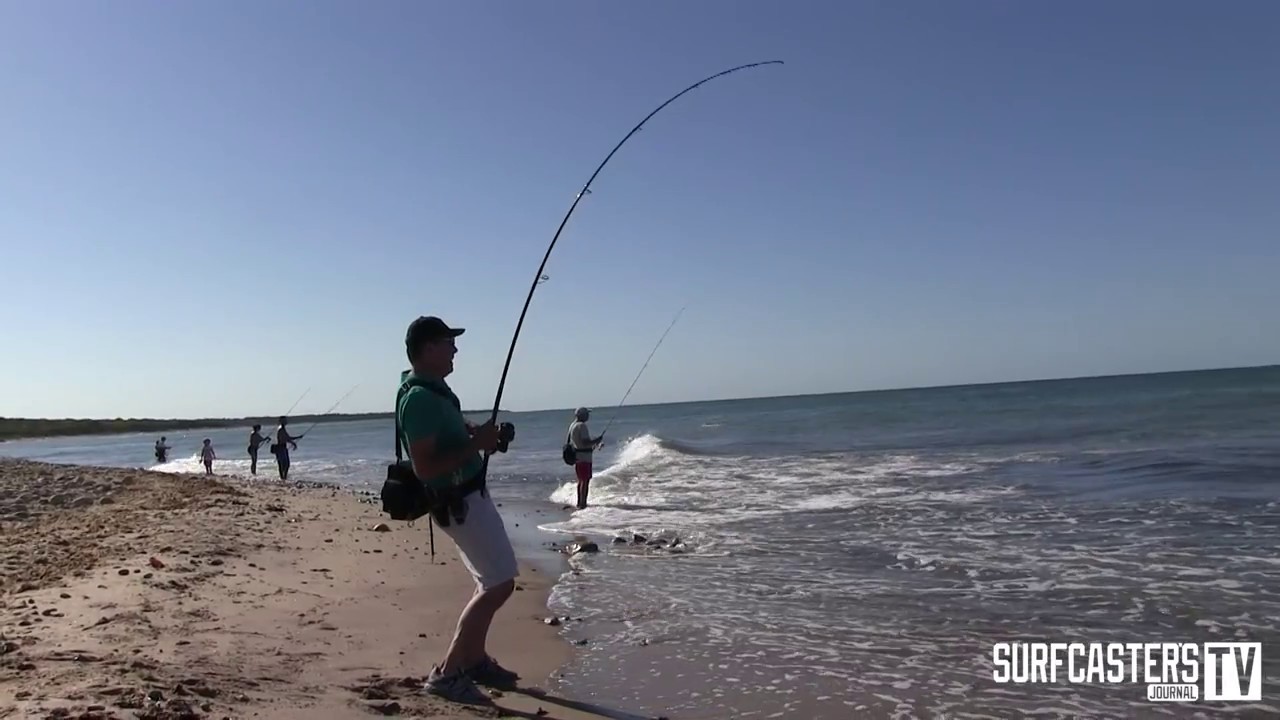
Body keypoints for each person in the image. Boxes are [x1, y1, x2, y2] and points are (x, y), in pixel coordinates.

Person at [398, 315, 518, 705]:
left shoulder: (431, 389)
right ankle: (449, 673)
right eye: (449, 342)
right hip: (459, 502)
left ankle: (475, 660)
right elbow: (425, 467)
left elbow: (446, 427)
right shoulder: (417, 399)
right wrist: (475, 445)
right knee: (498, 583)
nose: (455, 350)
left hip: (468, 497)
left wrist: (476, 433)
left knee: (492, 581)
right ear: (428, 348)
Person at [567, 407, 605, 510]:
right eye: (587, 414)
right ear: (582, 415)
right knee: (585, 481)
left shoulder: (573, 425)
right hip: (585, 458)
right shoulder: (582, 426)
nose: (588, 416)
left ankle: (580, 502)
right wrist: (597, 440)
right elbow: (585, 442)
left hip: (578, 457)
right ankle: (583, 503)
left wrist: (594, 444)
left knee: (580, 481)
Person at [272, 416, 303, 481]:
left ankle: (283, 478)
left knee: (284, 464)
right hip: (281, 448)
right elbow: (287, 438)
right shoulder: (281, 429)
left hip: (283, 448)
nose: (285, 421)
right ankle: (283, 478)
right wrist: (297, 438)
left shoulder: (282, 429)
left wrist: (293, 443)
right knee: (285, 464)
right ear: (280, 421)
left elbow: (286, 438)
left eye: (285, 420)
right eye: (284, 420)